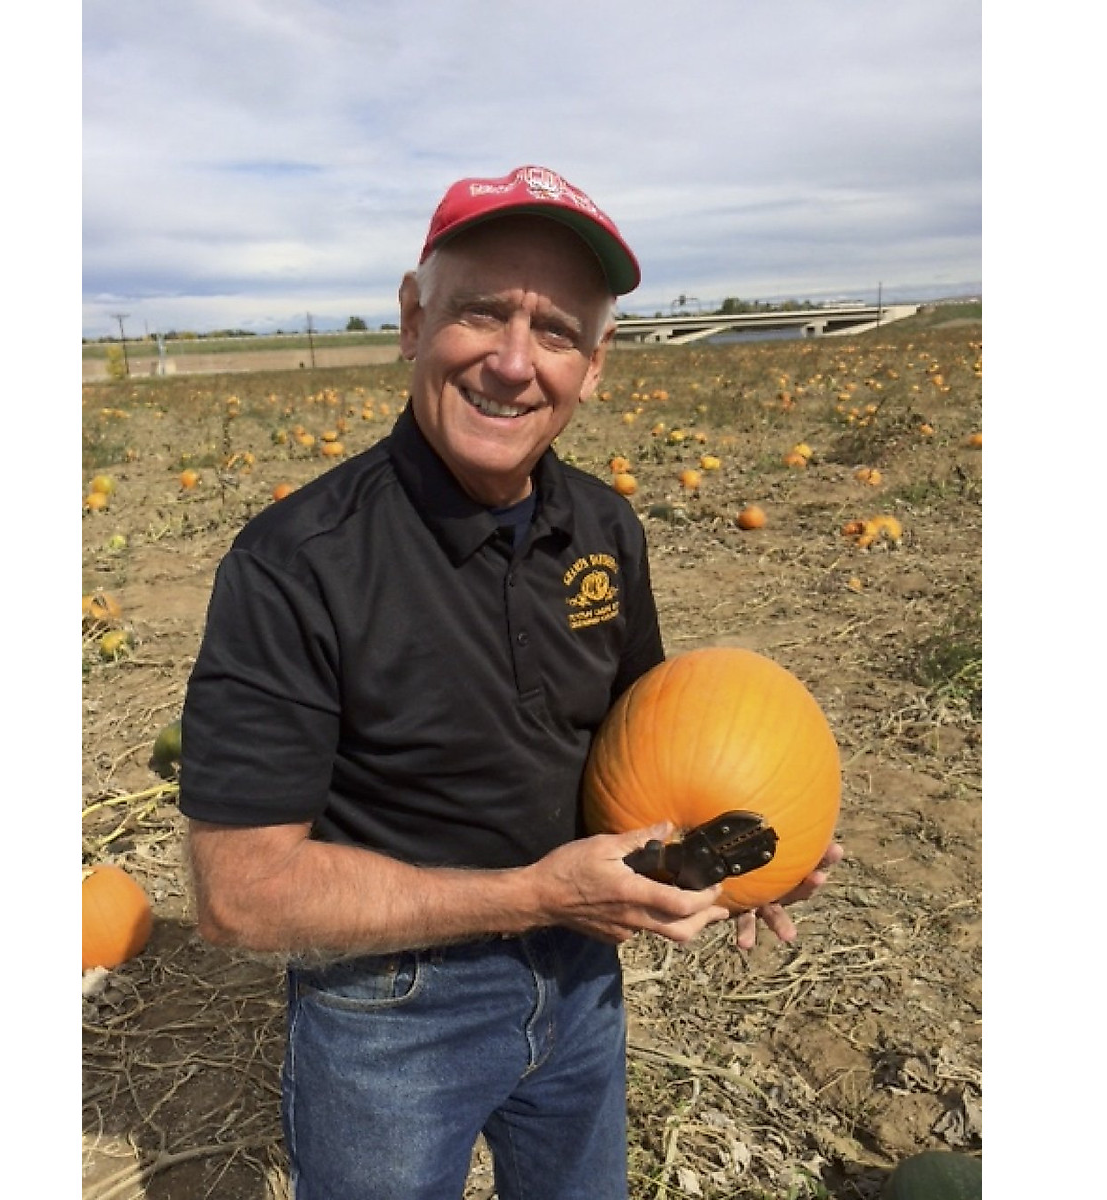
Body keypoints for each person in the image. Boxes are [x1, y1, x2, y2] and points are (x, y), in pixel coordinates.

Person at [180, 164, 843, 1200]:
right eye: (483, 311)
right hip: (388, 1013)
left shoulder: (606, 528)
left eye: (559, 331)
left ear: (598, 363)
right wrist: (534, 893)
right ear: (412, 319)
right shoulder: (294, 562)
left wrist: (736, 849)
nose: (513, 362)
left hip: (582, 986)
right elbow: (238, 896)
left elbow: (645, 753)